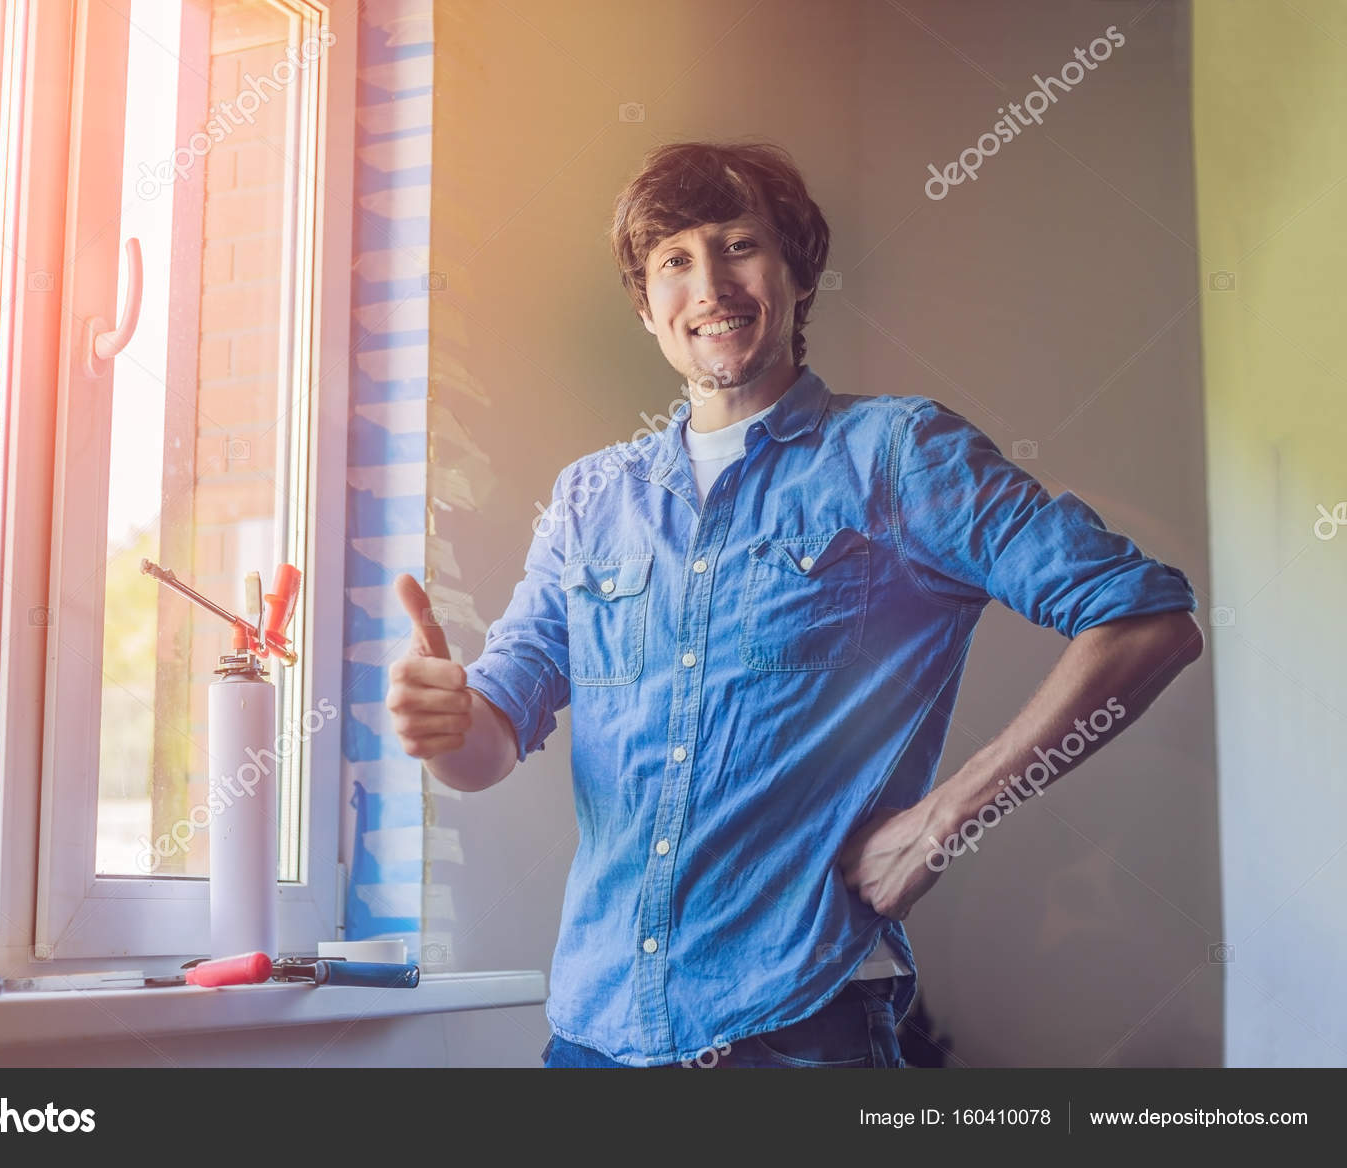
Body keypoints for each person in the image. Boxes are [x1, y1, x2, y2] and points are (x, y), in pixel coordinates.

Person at [384, 141, 1203, 1068]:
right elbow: (490, 739)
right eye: (675, 262)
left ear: (798, 274)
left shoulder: (897, 452)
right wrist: (444, 723)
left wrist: (945, 823)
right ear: (646, 306)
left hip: (802, 1026)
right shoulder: (587, 500)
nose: (710, 285)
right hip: (596, 1033)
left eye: (740, 245)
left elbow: (1146, 623)